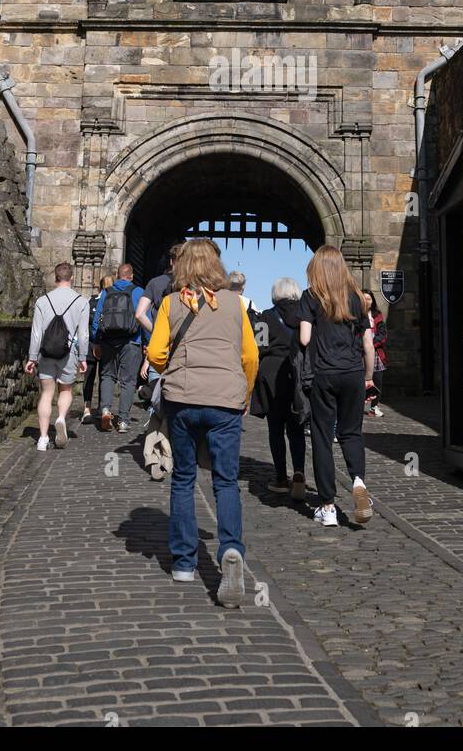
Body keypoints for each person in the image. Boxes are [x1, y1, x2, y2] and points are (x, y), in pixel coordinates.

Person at [147, 238, 259, 607]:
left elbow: (155, 353)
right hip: (225, 400)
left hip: (182, 399)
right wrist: (245, 394)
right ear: (216, 265)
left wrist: (173, 369)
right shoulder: (233, 303)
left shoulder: (169, 302)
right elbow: (250, 355)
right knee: (226, 481)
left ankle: (183, 562)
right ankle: (231, 549)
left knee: (183, 478)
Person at [299, 245, 376, 526]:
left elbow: (305, 339)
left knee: (321, 436)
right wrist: (368, 376)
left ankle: (328, 506)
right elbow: (368, 344)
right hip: (354, 373)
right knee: (351, 432)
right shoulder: (357, 298)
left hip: (324, 373)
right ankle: (357, 482)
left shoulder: (310, 297)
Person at [25, 262, 90, 451]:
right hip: (68, 354)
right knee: (66, 390)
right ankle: (61, 418)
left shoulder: (42, 301)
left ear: (55, 278)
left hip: (45, 353)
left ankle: (43, 438)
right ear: (72, 278)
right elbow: (84, 334)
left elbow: (36, 333)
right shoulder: (81, 302)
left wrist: (31, 358)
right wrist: (83, 357)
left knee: (46, 394)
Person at [253, 277, 307, 500]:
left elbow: (259, 347)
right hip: (297, 375)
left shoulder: (266, 317)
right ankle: (299, 474)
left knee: (275, 429)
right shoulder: (305, 315)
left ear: (275, 295)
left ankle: (281, 477)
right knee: (296, 428)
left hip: (272, 376)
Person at [91, 263, 145, 432]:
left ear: (117, 275)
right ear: (131, 276)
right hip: (131, 342)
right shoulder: (138, 292)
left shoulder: (106, 292)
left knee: (107, 376)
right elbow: (144, 318)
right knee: (128, 382)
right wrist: (148, 344)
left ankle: (106, 409)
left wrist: (96, 340)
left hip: (108, 341)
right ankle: (123, 421)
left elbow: (97, 319)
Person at [136, 242, 184, 392]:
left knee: (156, 396)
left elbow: (139, 314)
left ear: (171, 261)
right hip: (184, 347)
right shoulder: (194, 285)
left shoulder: (155, 283)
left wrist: (156, 331)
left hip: (160, 346)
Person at [81, 275, 112, 425]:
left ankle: (91, 408)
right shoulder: (108, 301)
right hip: (101, 343)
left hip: (94, 343)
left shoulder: (94, 301)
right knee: (100, 376)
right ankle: (97, 407)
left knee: (95, 376)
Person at [362, 289, 387, 418]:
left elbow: (382, 335)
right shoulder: (357, 315)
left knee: (377, 381)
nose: (367, 301)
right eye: (364, 298)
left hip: (376, 353)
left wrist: (371, 344)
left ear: (372, 300)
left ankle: (374, 406)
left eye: (369, 299)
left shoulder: (378, 315)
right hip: (360, 353)